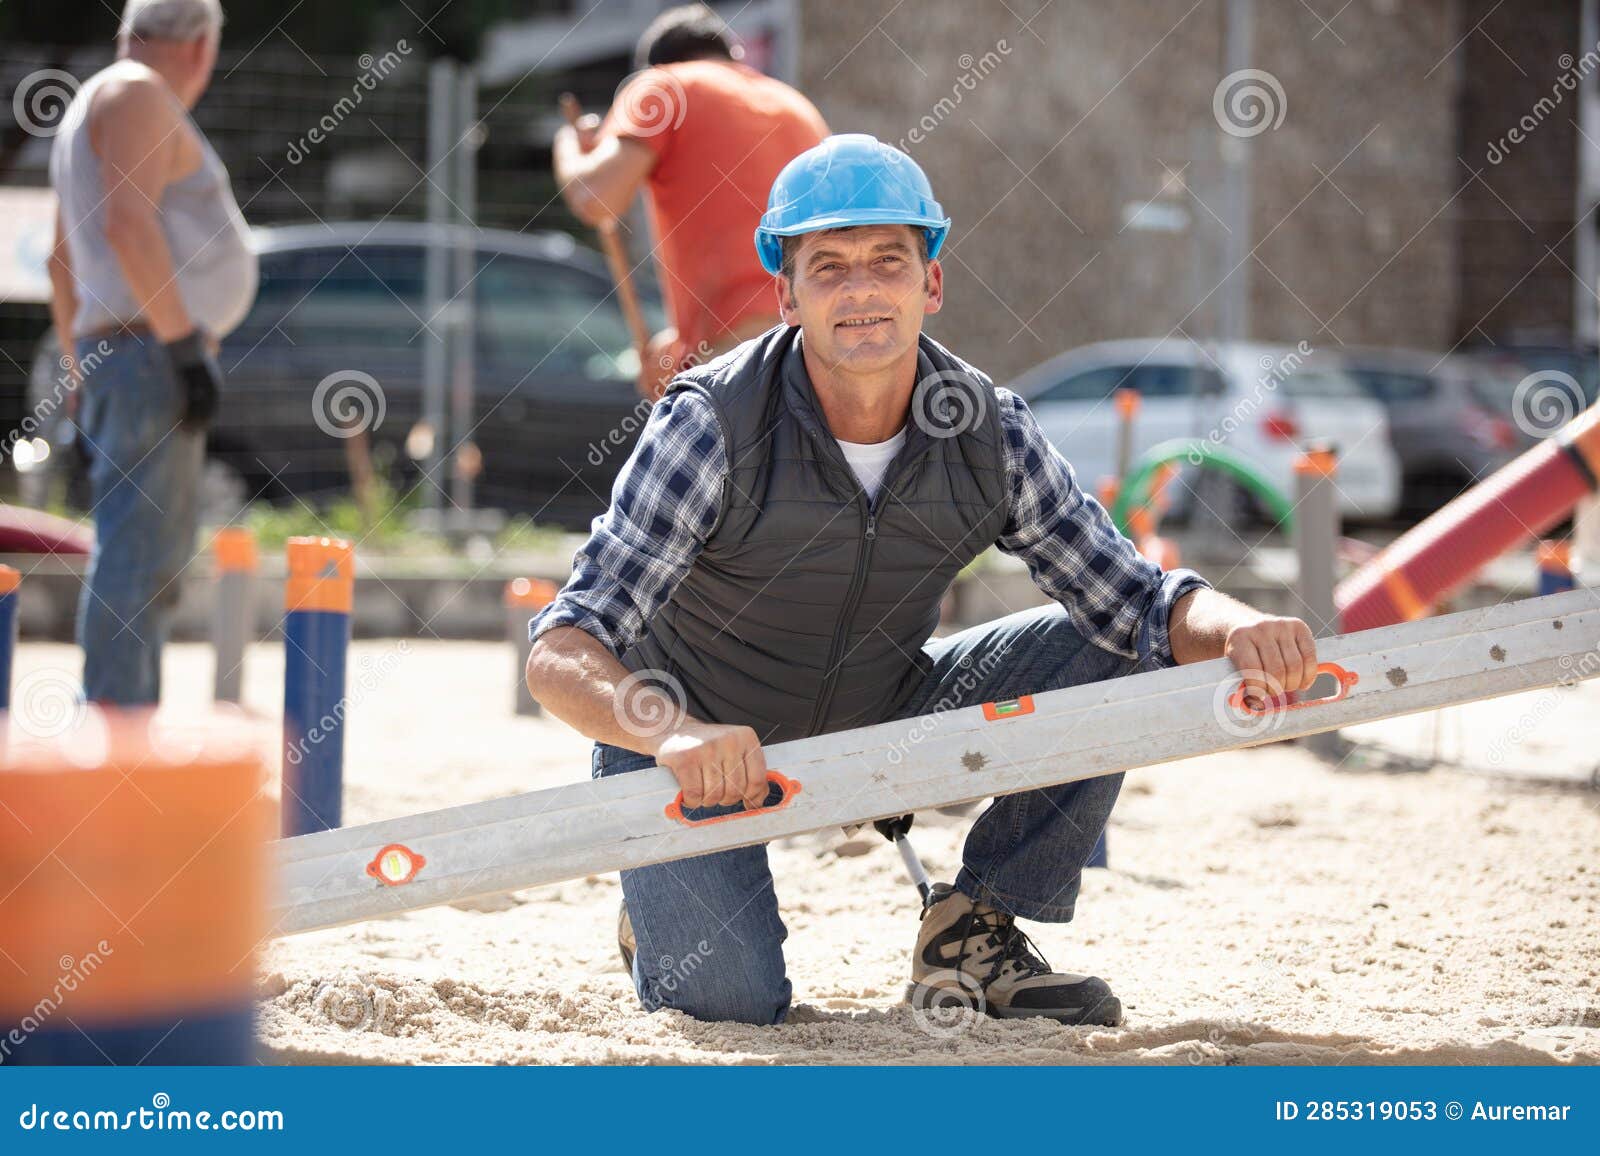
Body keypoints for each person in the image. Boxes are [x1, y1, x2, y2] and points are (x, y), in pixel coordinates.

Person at [527, 135, 1320, 1027]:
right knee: (727, 1002)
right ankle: (655, 912)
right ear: (787, 295)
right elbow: (563, 644)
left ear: (930, 283)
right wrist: (669, 733)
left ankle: (974, 926)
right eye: (828, 267)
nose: (860, 289)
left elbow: (1135, 602)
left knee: (1112, 648)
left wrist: (1237, 626)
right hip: (695, 738)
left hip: (885, 707)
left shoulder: (986, 430)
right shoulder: (711, 423)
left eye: (887, 261)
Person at [47, 0, 256, 705]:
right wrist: (185, 347)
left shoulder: (92, 103)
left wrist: (77, 372)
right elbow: (128, 226)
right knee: (141, 560)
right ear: (200, 47)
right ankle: (118, 740)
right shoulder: (138, 92)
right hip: (148, 351)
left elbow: (61, 262)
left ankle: (123, 730)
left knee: (145, 559)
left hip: (122, 352)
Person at [553, 3, 827, 398]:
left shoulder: (663, 87)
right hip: (823, 349)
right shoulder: (796, 107)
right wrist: (683, 346)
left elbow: (594, 198)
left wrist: (568, 147)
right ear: (732, 56)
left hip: (741, 359)